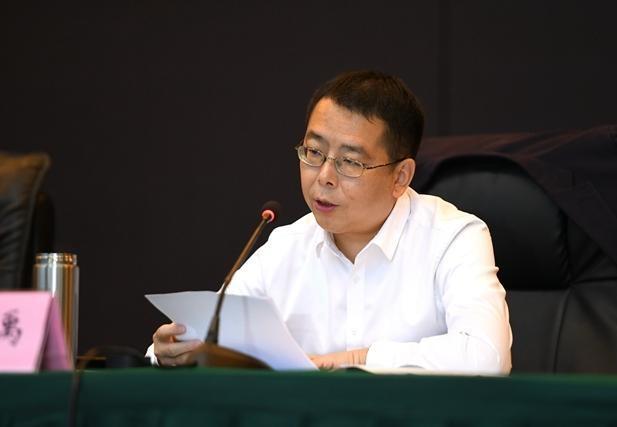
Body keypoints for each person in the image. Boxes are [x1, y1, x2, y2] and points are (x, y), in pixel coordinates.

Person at [149, 70, 512, 373]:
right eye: (314, 152)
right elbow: (209, 334)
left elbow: (487, 357)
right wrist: (170, 351)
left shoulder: (453, 237)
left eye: (350, 162)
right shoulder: (286, 247)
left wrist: (354, 360)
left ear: (400, 177)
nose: (324, 176)